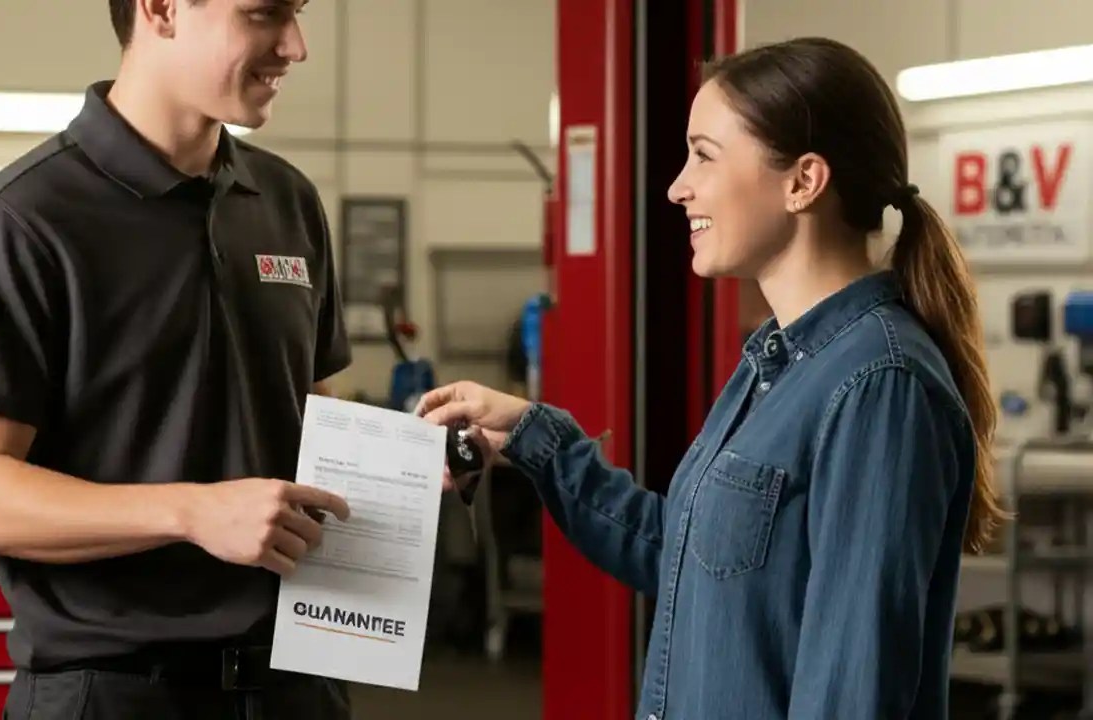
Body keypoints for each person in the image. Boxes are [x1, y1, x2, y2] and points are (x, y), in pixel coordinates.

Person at [418, 36, 1005, 720]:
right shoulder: (775, 361)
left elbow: (854, 690)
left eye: (704, 155)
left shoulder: (879, 386)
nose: (677, 186)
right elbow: (687, 556)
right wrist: (531, 435)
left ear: (803, 181)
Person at [0, 1, 355, 717]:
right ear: (160, 8)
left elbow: (315, 423)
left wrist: (407, 466)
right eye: (265, 14)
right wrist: (190, 512)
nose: (296, 47)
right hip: (114, 692)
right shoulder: (24, 219)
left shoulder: (288, 202)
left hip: (295, 685)